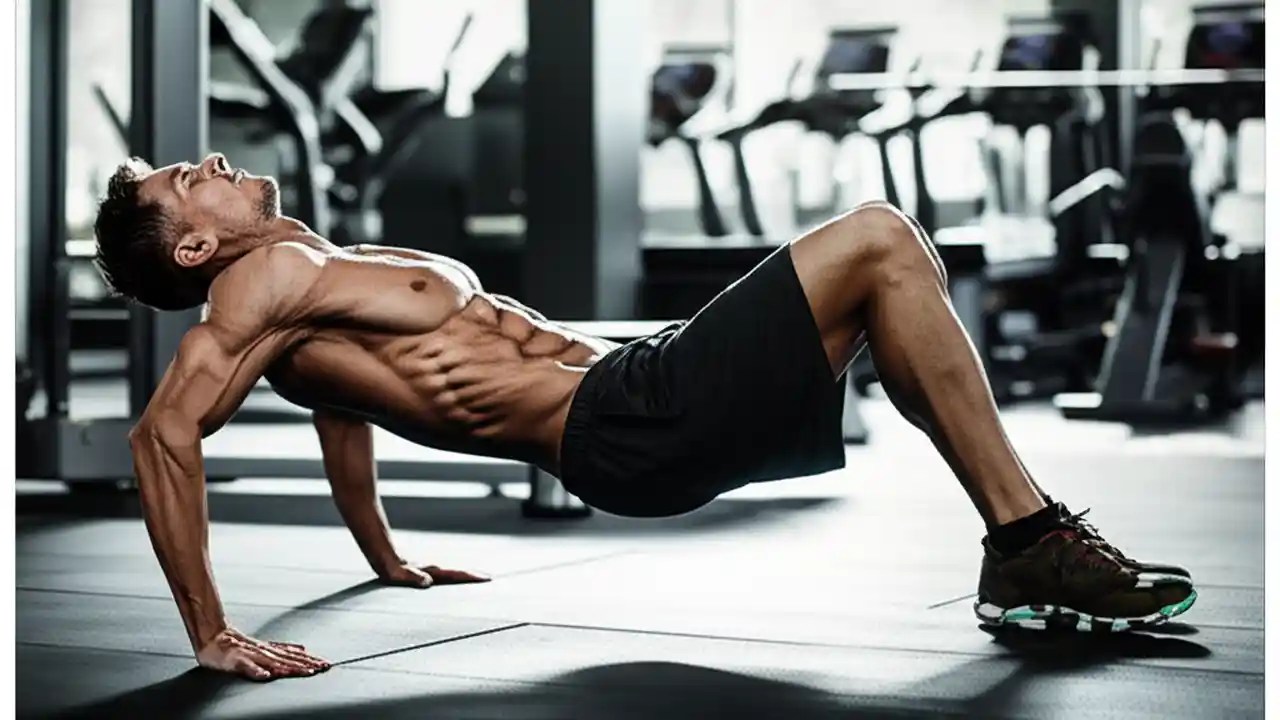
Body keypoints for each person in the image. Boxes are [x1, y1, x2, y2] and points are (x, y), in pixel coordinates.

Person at [94, 154, 1196, 681]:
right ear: (196, 249)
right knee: (880, 238)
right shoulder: (259, 286)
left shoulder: (305, 280)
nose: (214, 163)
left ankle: (1023, 547)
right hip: (622, 422)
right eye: (187, 181)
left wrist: (386, 561)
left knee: (888, 286)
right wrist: (209, 632)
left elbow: (345, 421)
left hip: (634, 392)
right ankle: (1027, 543)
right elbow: (161, 435)